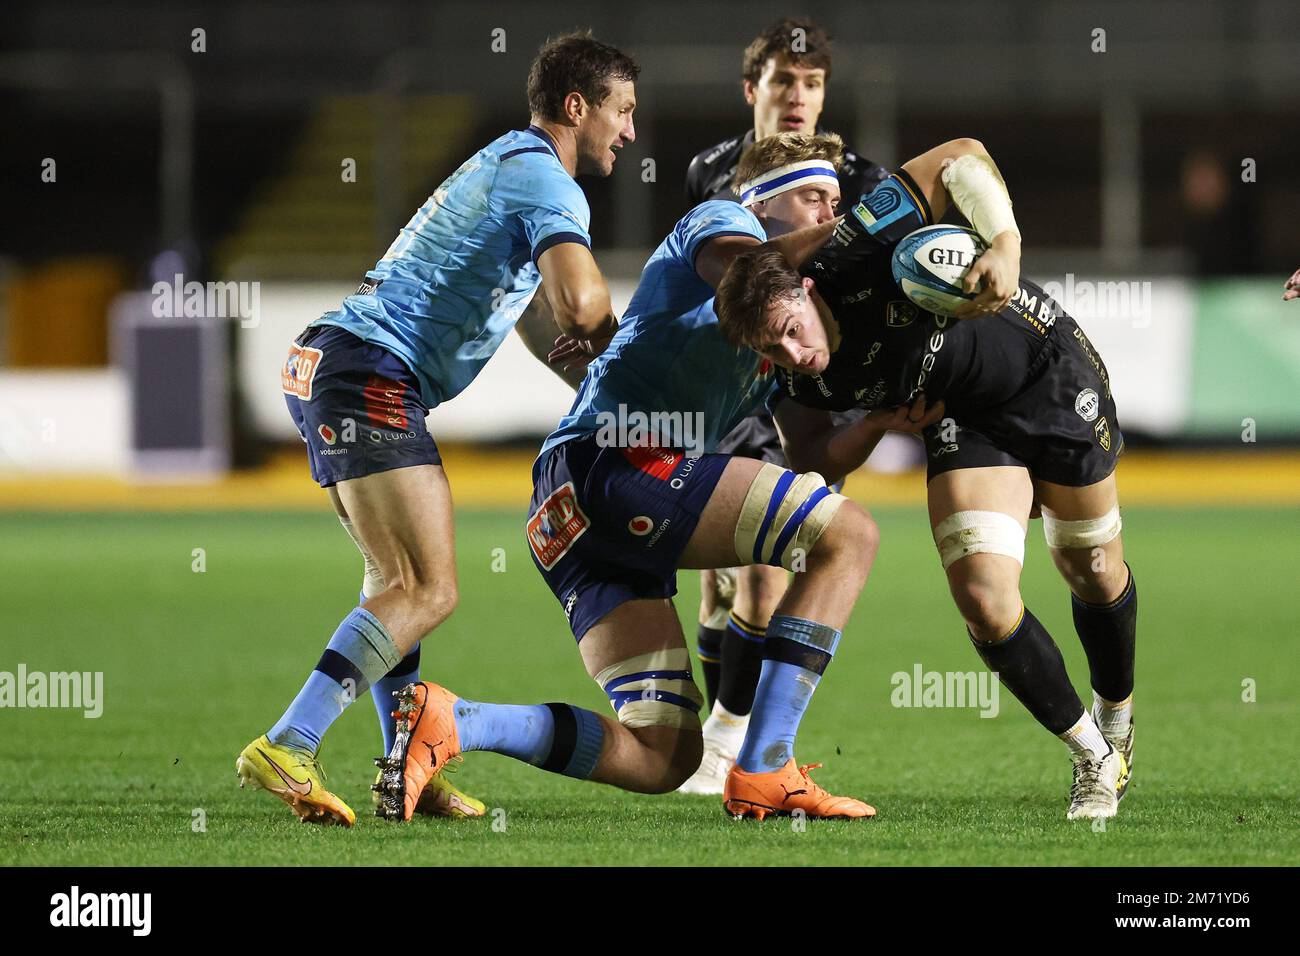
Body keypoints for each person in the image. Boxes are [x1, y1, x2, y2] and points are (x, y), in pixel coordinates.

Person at [374, 135, 1010, 823]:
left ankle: (455, 723)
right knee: (849, 535)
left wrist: (878, 420)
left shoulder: (783, 317)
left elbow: (816, 460)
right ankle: (766, 767)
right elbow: (751, 267)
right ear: (761, 203)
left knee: (663, 755)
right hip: (615, 465)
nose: (829, 206)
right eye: (811, 196)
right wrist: (873, 233)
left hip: (566, 513)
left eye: (835, 197)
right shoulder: (721, 225)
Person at [235, 32, 638, 826]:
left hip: (333, 362)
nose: (630, 132)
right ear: (577, 106)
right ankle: (289, 739)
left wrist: (594, 385)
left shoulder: (507, 166)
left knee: (394, 586)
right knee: (430, 587)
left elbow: (531, 313)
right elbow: (584, 306)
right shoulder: (549, 183)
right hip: (369, 374)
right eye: (622, 111)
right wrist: (631, 371)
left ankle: (406, 763)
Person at [715, 133, 1137, 820]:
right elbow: (816, 458)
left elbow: (958, 156)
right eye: (774, 348)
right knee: (983, 596)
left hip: (1046, 372)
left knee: (1089, 565)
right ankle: (1095, 755)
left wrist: (1004, 244)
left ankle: (1117, 712)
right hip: (961, 417)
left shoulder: (852, 250)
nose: (797, 355)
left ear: (809, 288)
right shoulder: (790, 378)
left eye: (793, 329)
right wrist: (875, 425)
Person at [679, 18, 889, 793]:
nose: (798, 97)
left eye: (813, 84)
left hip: (804, 393)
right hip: (731, 388)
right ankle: (728, 741)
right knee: (722, 580)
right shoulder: (708, 171)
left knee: (770, 570)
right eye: (783, 82)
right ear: (752, 89)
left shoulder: (860, 179)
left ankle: (730, 743)